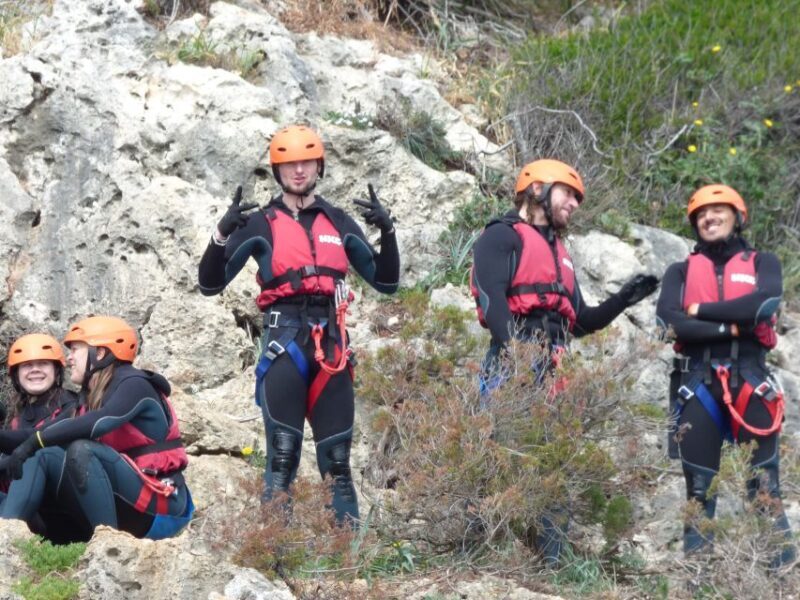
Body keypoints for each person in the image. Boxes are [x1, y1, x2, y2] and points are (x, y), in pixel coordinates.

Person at [198, 124, 400, 525]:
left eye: (306, 162)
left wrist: (388, 231)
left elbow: (386, 281)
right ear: (277, 171)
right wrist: (221, 234)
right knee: (283, 456)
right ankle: (274, 559)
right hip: (284, 342)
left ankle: (347, 564)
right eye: (289, 164)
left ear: (319, 166)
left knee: (338, 461)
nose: (299, 171)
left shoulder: (338, 221)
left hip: (332, 347)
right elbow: (209, 283)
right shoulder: (260, 223)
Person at [470, 159, 658, 565]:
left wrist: (624, 299)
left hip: (553, 367)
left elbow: (581, 322)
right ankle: (474, 557)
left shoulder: (560, 252)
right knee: (495, 457)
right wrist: (518, 358)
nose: (574, 203)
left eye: (577, 198)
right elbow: (492, 301)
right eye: (568, 193)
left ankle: (553, 565)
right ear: (537, 189)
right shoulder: (501, 237)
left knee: (554, 464)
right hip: (510, 362)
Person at [656, 184, 795, 567]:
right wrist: (732, 328)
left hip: (751, 379)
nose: (708, 218)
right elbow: (668, 322)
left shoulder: (764, 262)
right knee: (699, 490)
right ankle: (698, 583)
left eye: (718, 211)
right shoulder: (679, 271)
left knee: (764, 487)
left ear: (737, 217)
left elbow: (761, 306)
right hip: (697, 382)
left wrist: (697, 310)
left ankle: (781, 579)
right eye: (701, 214)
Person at [0, 316, 194, 540]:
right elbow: (32, 436)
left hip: (162, 507)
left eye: (75, 350)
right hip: (127, 501)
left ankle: (107, 546)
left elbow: (100, 422)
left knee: (80, 449)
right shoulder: (89, 399)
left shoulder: (134, 384)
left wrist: (35, 442)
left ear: (100, 353)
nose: (69, 358)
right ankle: (7, 539)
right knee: (40, 453)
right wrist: (32, 444)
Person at [0, 334, 80, 542]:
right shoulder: (17, 415)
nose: (35, 369)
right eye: (27, 365)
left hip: (64, 515)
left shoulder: (72, 405)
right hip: (31, 513)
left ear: (56, 370)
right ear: (17, 374)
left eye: (43, 363)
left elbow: (33, 441)